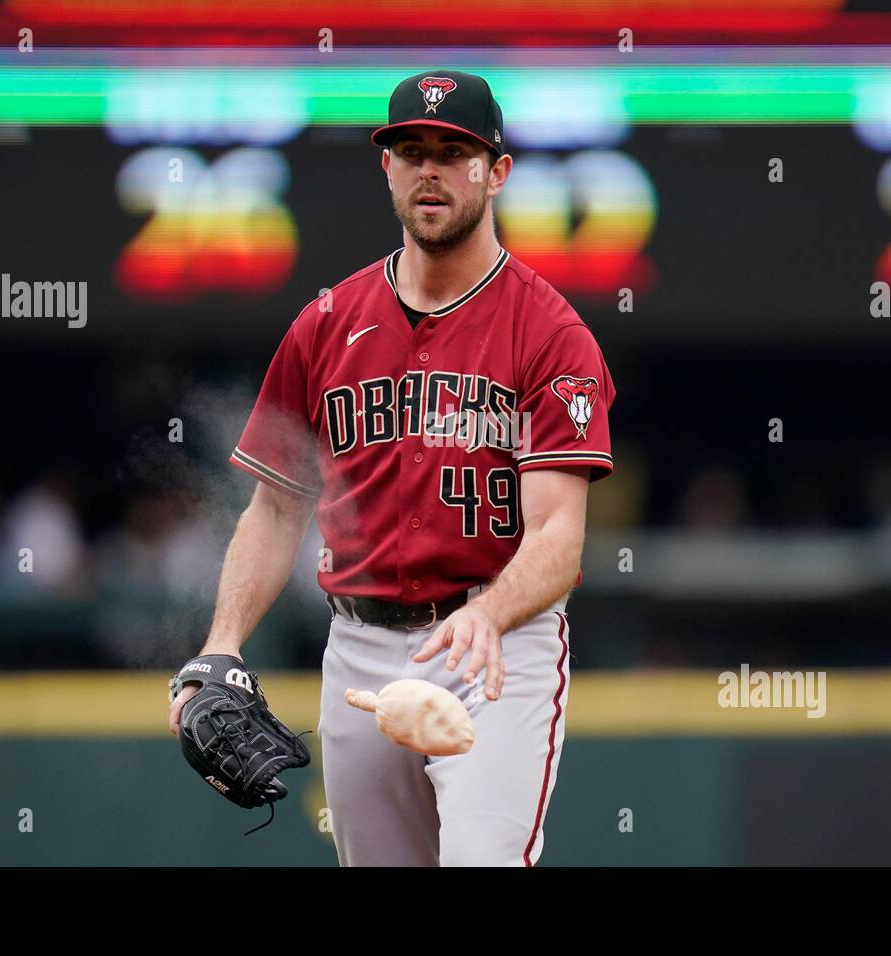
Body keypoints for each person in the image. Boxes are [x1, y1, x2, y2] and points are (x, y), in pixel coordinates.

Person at [169, 69, 616, 866]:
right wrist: (222, 645)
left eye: (454, 152)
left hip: (495, 647)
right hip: (360, 645)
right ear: (387, 167)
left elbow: (558, 536)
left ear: (497, 172)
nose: (430, 169)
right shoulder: (326, 323)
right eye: (411, 150)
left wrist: (490, 614)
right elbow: (274, 510)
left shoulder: (551, 333)